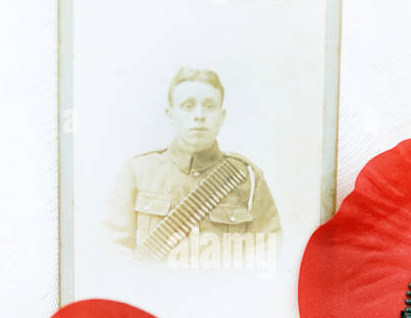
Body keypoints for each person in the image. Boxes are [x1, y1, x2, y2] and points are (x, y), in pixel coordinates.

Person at [104, 67, 281, 267]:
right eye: (188, 106)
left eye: (209, 106)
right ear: (170, 114)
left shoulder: (248, 178)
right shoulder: (137, 172)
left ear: (222, 117)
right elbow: (115, 256)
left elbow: (267, 258)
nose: (199, 115)